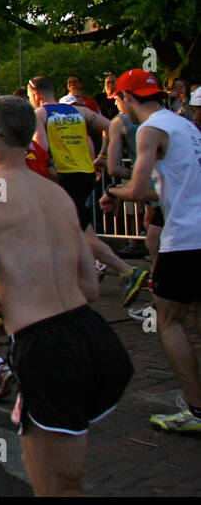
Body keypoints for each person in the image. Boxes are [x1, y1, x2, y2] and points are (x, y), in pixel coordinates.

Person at [0, 96, 133, 495]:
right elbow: (89, 287)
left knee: (54, 481)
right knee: (62, 470)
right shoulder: (57, 194)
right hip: (94, 336)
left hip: (45, 345)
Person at [101, 69, 201, 433]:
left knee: (169, 319)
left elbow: (139, 190)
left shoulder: (150, 129)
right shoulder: (185, 125)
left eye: (118, 99)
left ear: (126, 98)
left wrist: (112, 192)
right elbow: (167, 188)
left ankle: (197, 409)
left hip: (185, 237)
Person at [29, 75, 148, 306]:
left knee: (78, 231)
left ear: (36, 95)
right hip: (85, 174)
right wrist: (103, 155)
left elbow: (41, 146)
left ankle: (126, 271)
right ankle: (77, 278)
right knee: (75, 227)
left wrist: (45, 167)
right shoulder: (80, 111)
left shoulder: (40, 115)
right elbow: (112, 127)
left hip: (63, 176)